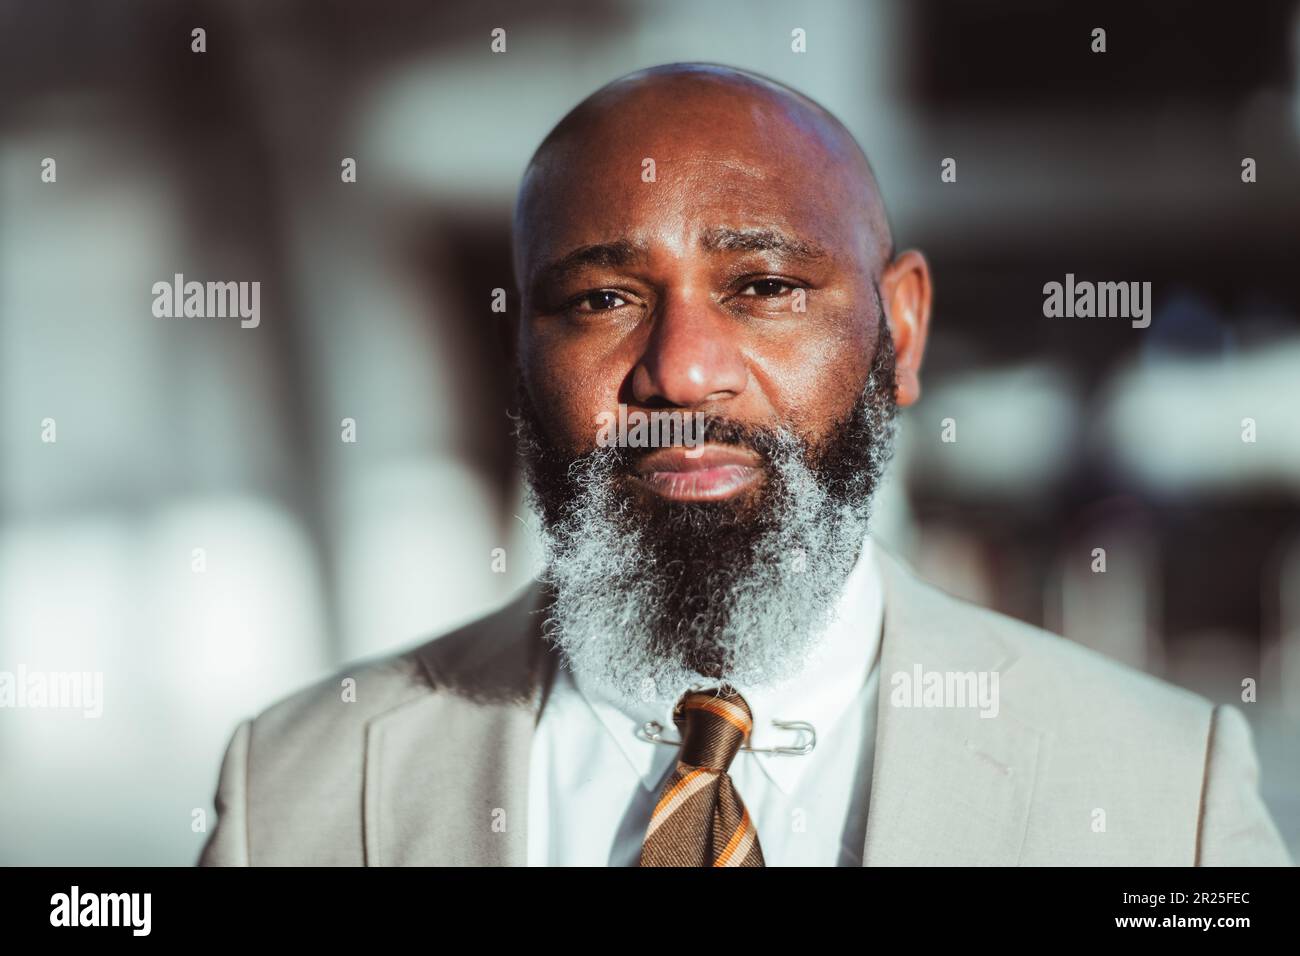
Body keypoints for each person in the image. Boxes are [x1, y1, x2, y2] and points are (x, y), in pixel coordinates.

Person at [198, 63, 1290, 867]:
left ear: (897, 333)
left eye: (763, 287)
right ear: (520, 354)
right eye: (601, 300)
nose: (680, 372)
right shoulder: (297, 790)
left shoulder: (1160, 794)